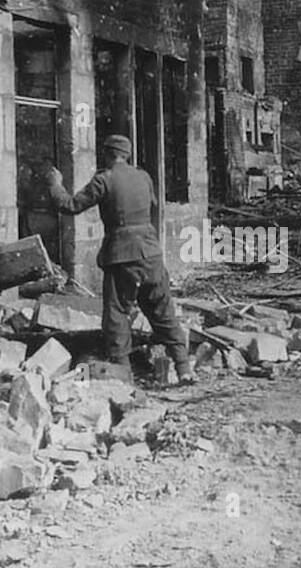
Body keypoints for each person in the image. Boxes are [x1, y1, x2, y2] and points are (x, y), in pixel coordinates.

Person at [44, 135, 195, 384]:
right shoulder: (144, 177)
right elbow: (152, 206)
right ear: (127, 154)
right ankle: (184, 368)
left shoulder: (104, 179)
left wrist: (55, 184)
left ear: (107, 154)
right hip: (151, 254)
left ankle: (123, 377)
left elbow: (69, 206)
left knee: (117, 314)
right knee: (162, 310)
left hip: (121, 256)